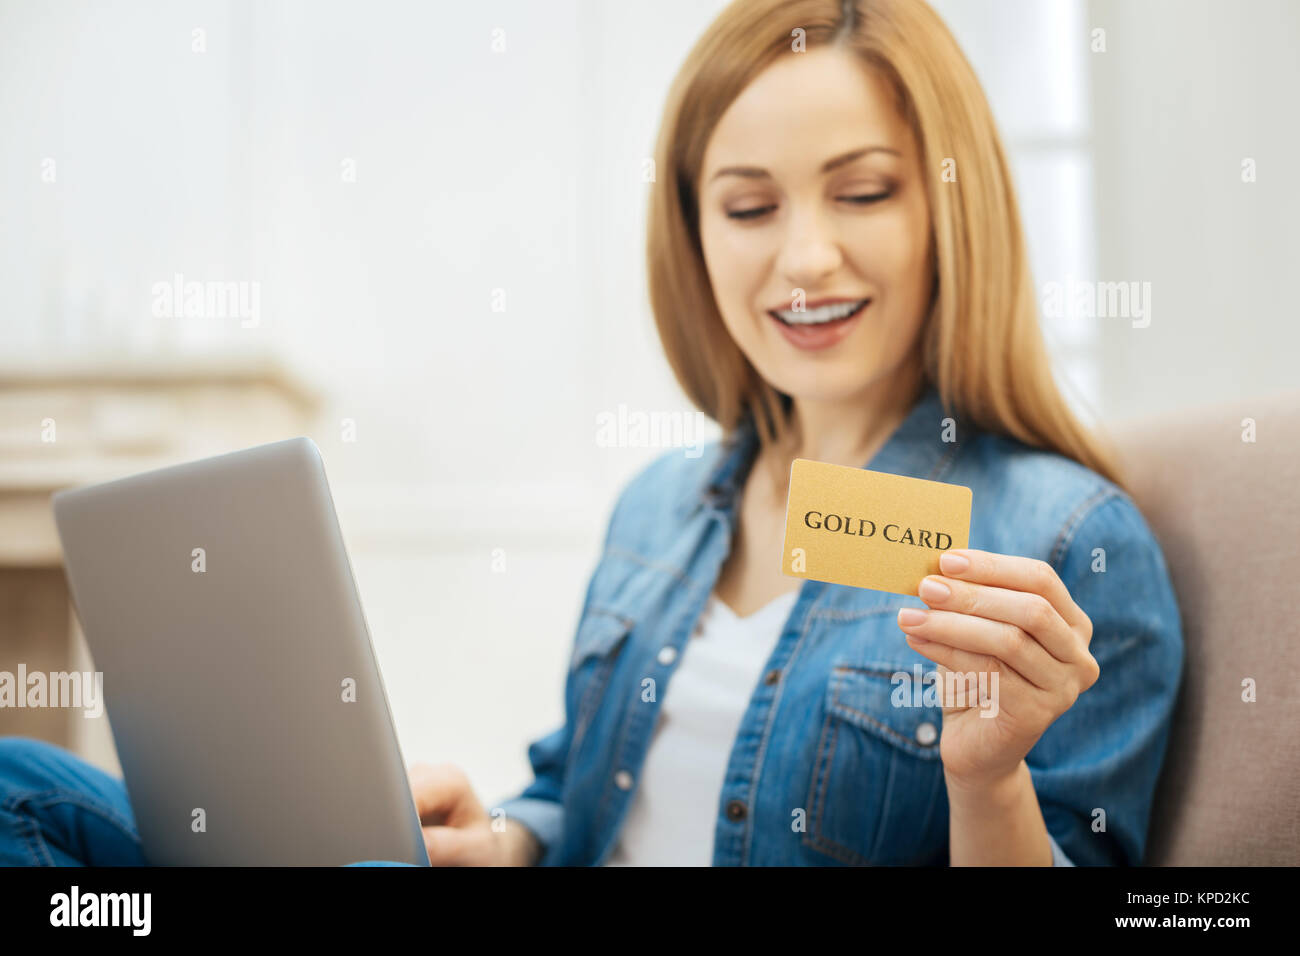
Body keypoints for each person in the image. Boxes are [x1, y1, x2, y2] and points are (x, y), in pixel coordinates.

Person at [0, 0, 1182, 867]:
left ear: (946, 207)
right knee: (20, 787)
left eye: (862, 190)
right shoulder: (661, 506)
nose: (804, 256)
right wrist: (506, 839)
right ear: (694, 233)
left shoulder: (1066, 539)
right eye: (749, 205)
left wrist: (984, 784)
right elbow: (580, 790)